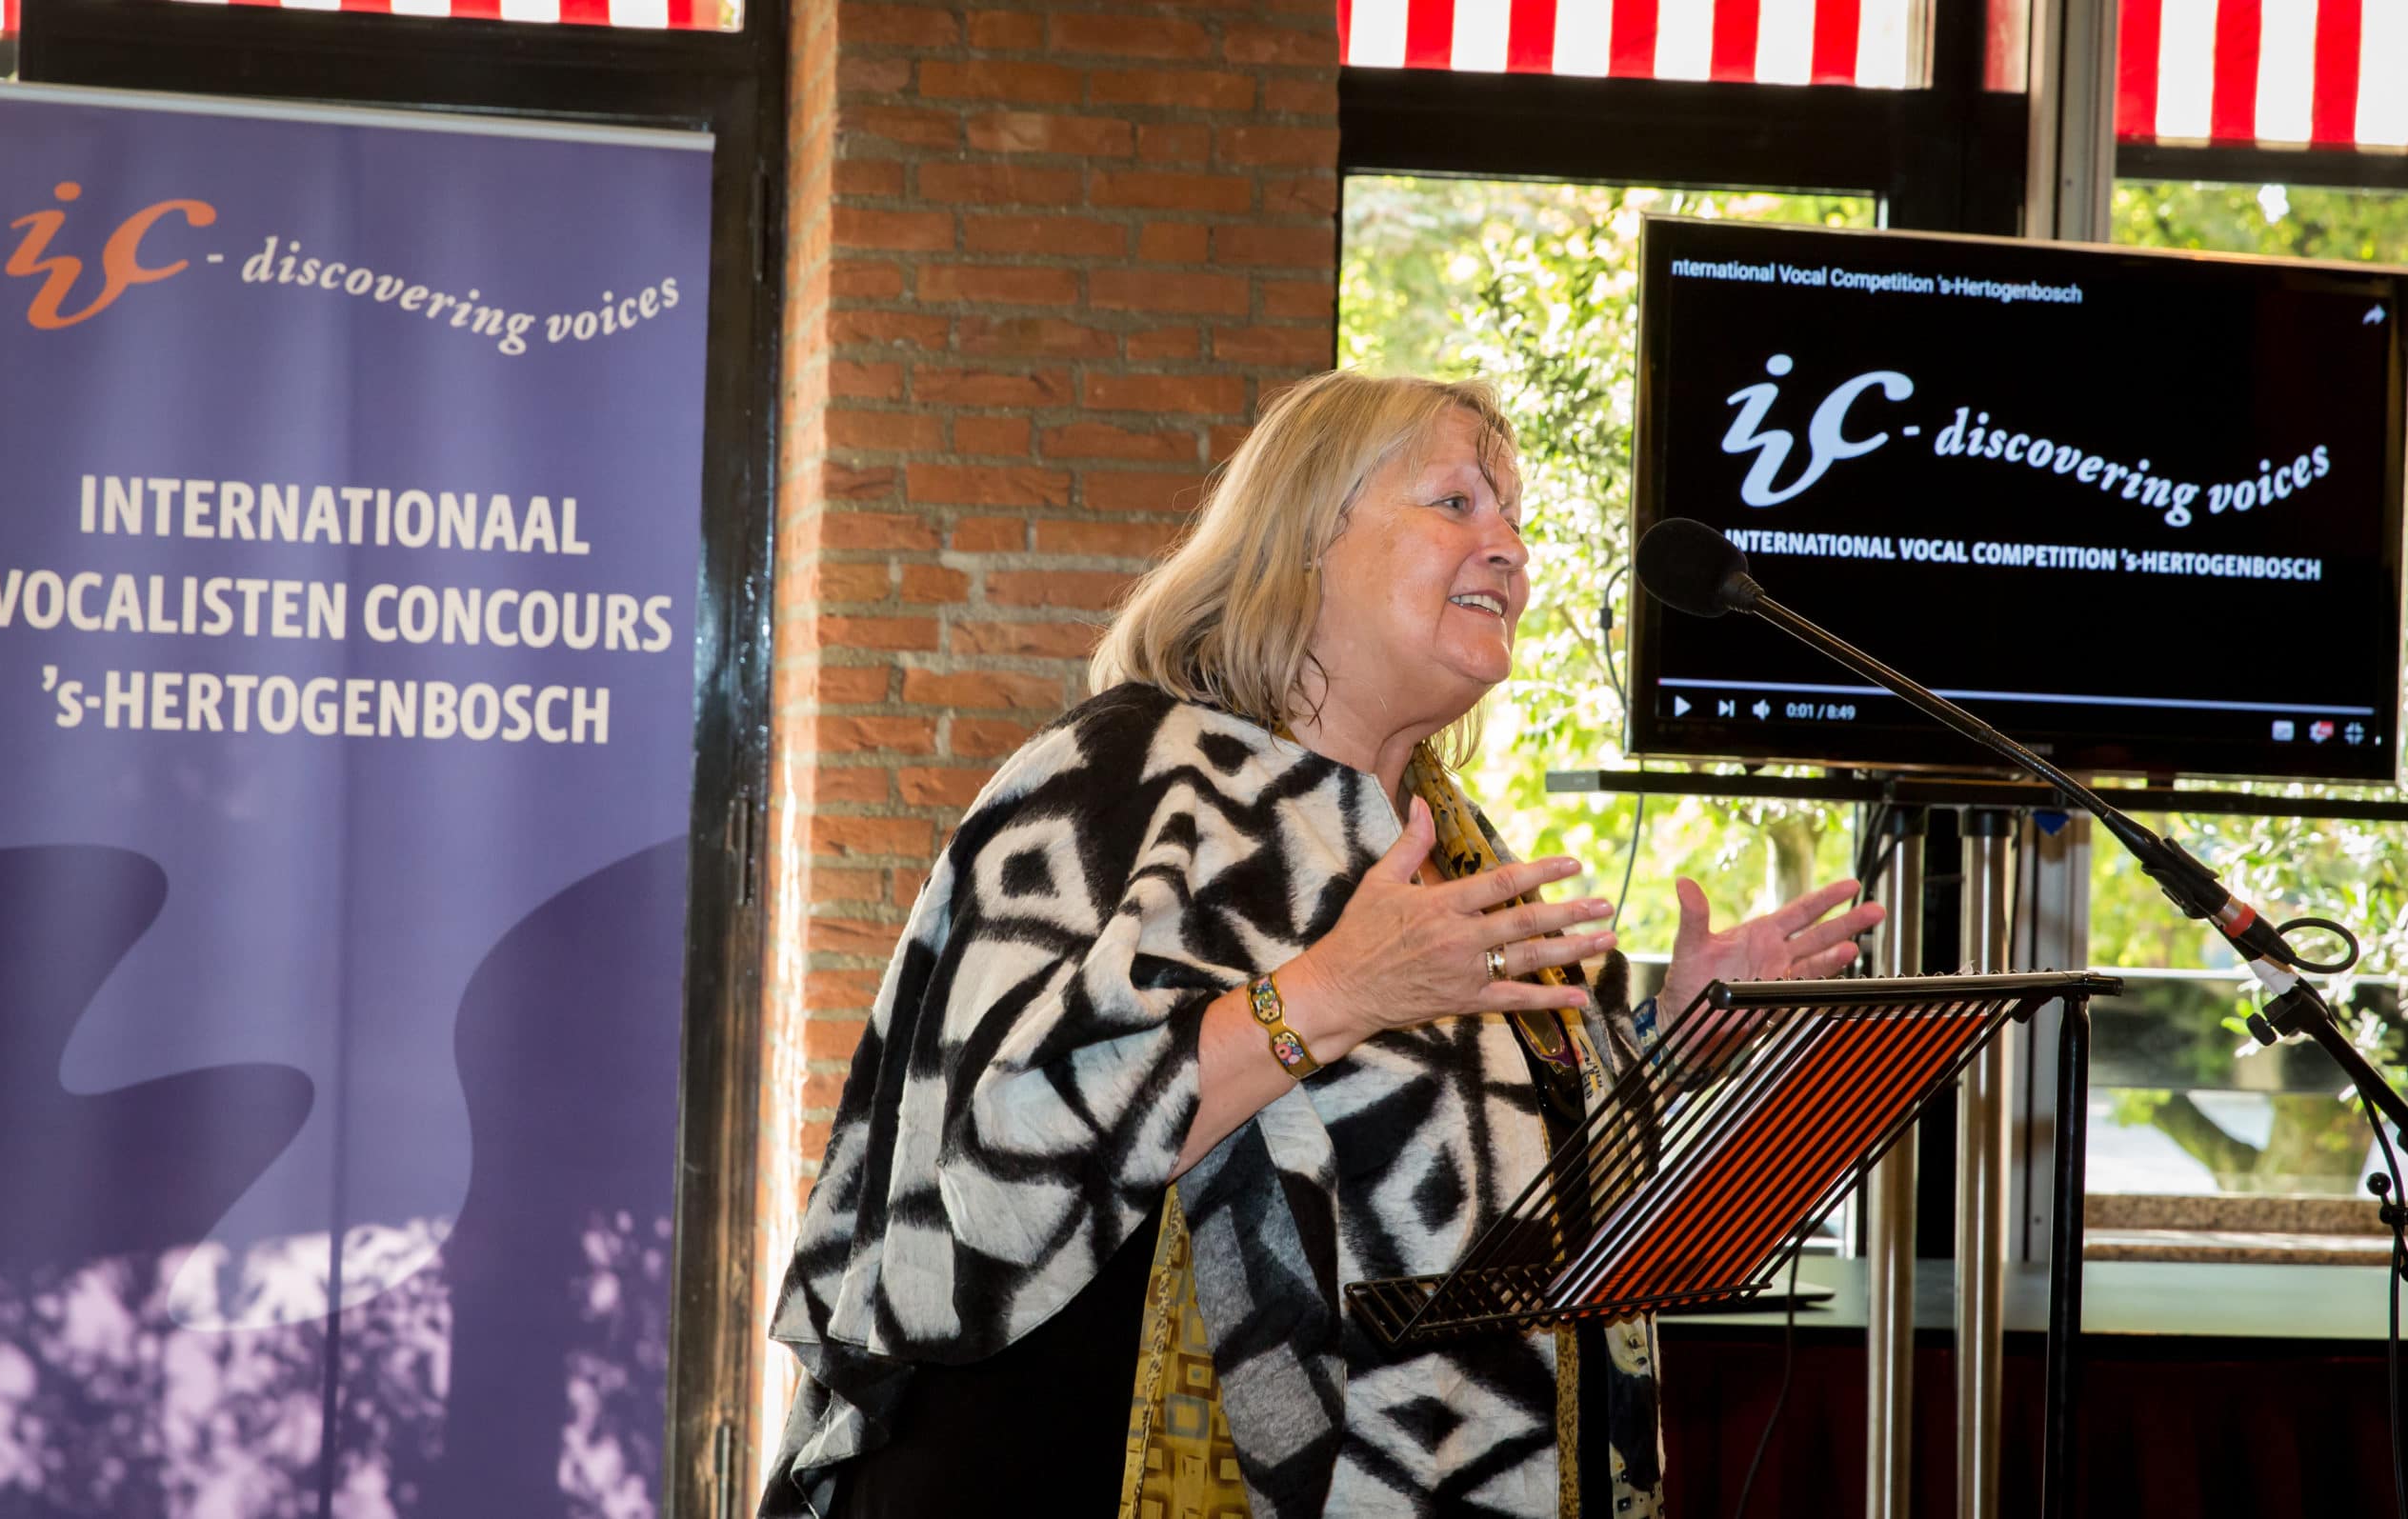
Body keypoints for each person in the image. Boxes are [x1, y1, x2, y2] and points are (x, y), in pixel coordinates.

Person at [764, 370, 1884, 1519]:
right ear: (1301, 540)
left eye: (1515, 517)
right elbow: (996, 1159)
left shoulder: (1446, 841)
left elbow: (1486, 1180)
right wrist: (1331, 991)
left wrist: (1665, 1036)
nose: (1507, 548)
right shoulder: (1122, 777)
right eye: (1456, 503)